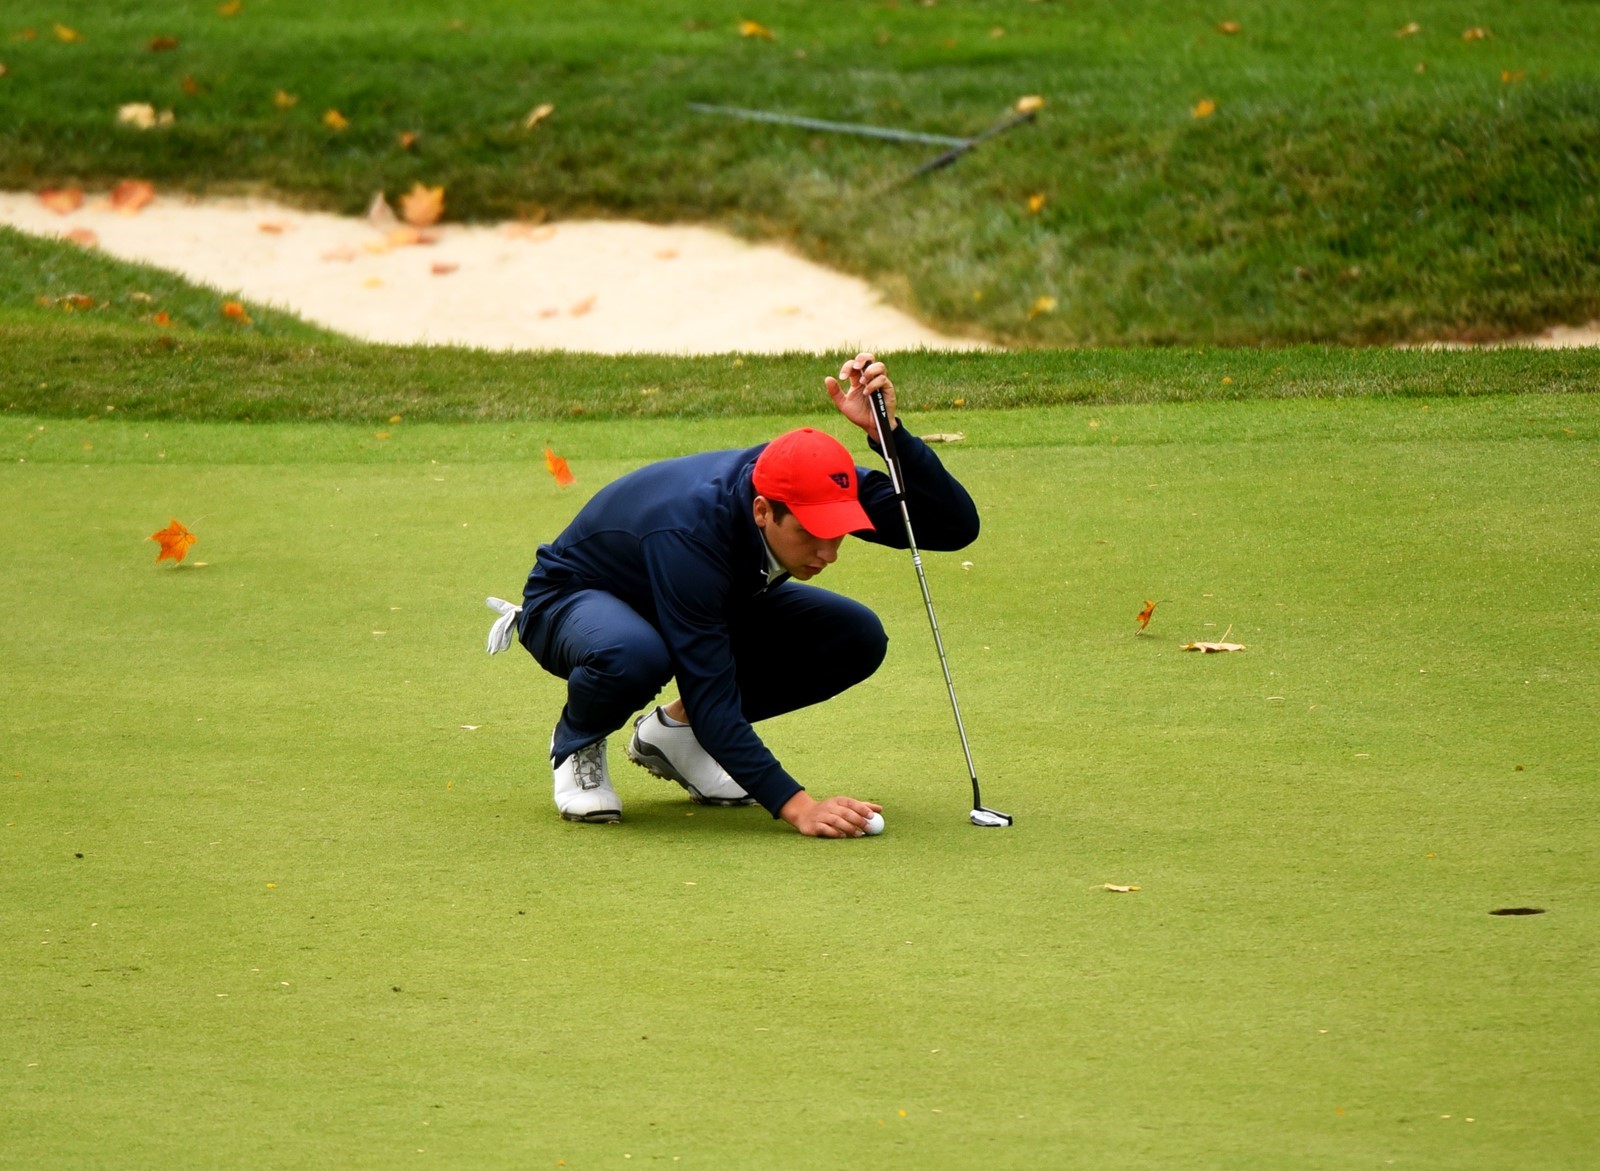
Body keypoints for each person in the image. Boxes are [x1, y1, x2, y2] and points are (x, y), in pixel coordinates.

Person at [488, 354, 980, 837]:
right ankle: (580, 739)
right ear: (764, 511)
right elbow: (712, 690)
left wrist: (888, 435)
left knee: (855, 637)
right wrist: (799, 806)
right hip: (571, 602)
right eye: (813, 534)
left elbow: (954, 526)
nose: (828, 552)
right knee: (634, 654)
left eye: (839, 533)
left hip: (692, 598)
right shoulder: (693, 534)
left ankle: (676, 736)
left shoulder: (818, 485)